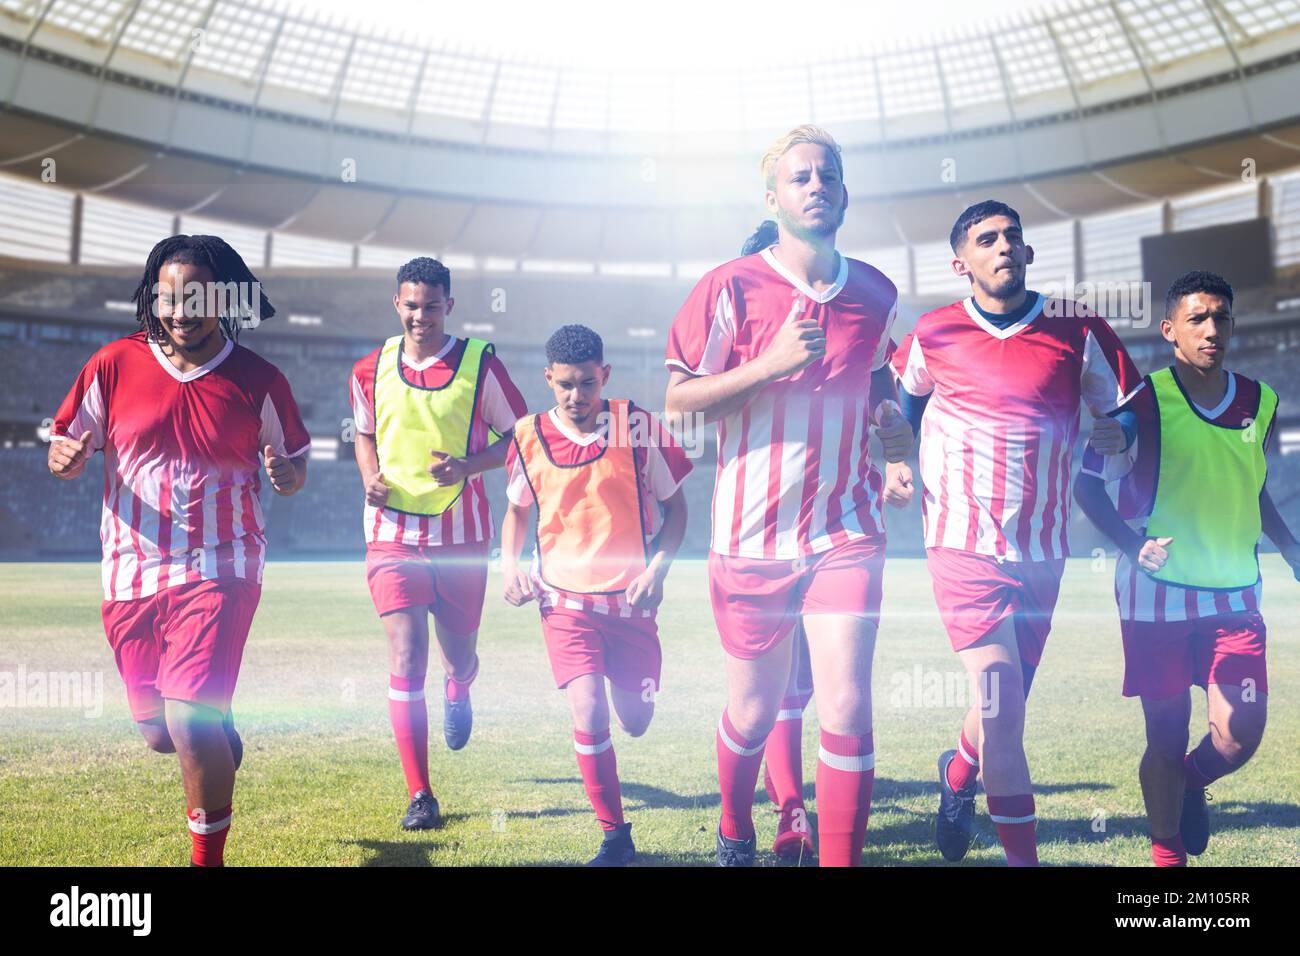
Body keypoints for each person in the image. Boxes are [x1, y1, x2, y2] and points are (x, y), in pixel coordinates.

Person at [665, 125, 912, 867]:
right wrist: (769, 365)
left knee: (846, 703)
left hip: (847, 528)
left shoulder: (875, 292)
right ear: (771, 197)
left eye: (828, 175)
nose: (816, 185)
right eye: (800, 176)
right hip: (750, 539)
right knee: (754, 709)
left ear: (844, 193)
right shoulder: (728, 286)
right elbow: (677, 404)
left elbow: (875, 381)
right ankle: (736, 827)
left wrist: (891, 428)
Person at [891, 199, 1142, 866]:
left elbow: (1130, 410)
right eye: (986, 238)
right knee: (1005, 710)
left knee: (999, 703)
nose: (1003, 245)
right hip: (961, 546)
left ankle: (955, 777)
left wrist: (1113, 442)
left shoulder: (1076, 327)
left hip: (1043, 552)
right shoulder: (932, 332)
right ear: (960, 262)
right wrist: (893, 458)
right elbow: (897, 407)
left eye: (1013, 236)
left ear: (1028, 252)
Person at [48, 234, 310, 866]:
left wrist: (286, 475)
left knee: (189, 720)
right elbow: (64, 445)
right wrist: (63, 459)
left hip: (222, 564)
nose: (181, 309)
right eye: (168, 296)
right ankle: (215, 738)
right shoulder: (112, 364)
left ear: (223, 297)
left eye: (196, 295)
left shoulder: (260, 380)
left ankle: (206, 859)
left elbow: (296, 463)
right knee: (162, 735)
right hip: (131, 572)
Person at [1074, 270, 1300, 866]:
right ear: (1170, 329)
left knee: (1241, 732)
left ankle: (1194, 781)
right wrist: (1129, 546)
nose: (1211, 329)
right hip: (1158, 597)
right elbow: (1087, 487)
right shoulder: (1145, 402)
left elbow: (1251, 489)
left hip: (1234, 595)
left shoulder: (1262, 401)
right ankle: (1167, 858)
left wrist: (1289, 544)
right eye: (1197, 318)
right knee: (1165, 738)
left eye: (1221, 318)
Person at [500, 324, 691, 866]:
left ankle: (635, 695)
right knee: (587, 712)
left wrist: (659, 568)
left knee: (635, 719)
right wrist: (508, 565)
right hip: (563, 604)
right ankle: (615, 837)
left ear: (605, 375)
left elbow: (677, 510)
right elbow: (516, 511)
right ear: (548, 379)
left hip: (631, 606)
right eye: (564, 385)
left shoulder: (636, 425)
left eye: (587, 384)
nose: (576, 396)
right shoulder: (528, 434)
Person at [348, 257, 527, 830]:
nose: (419, 315)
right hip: (392, 537)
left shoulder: (481, 365)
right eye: (410, 304)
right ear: (395, 304)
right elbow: (364, 434)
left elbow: (524, 440)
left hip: (462, 538)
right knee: (405, 657)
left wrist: (470, 465)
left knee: (459, 652)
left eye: (430, 305)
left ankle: (461, 684)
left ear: (449, 304)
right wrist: (368, 475)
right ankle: (420, 793)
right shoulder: (368, 368)